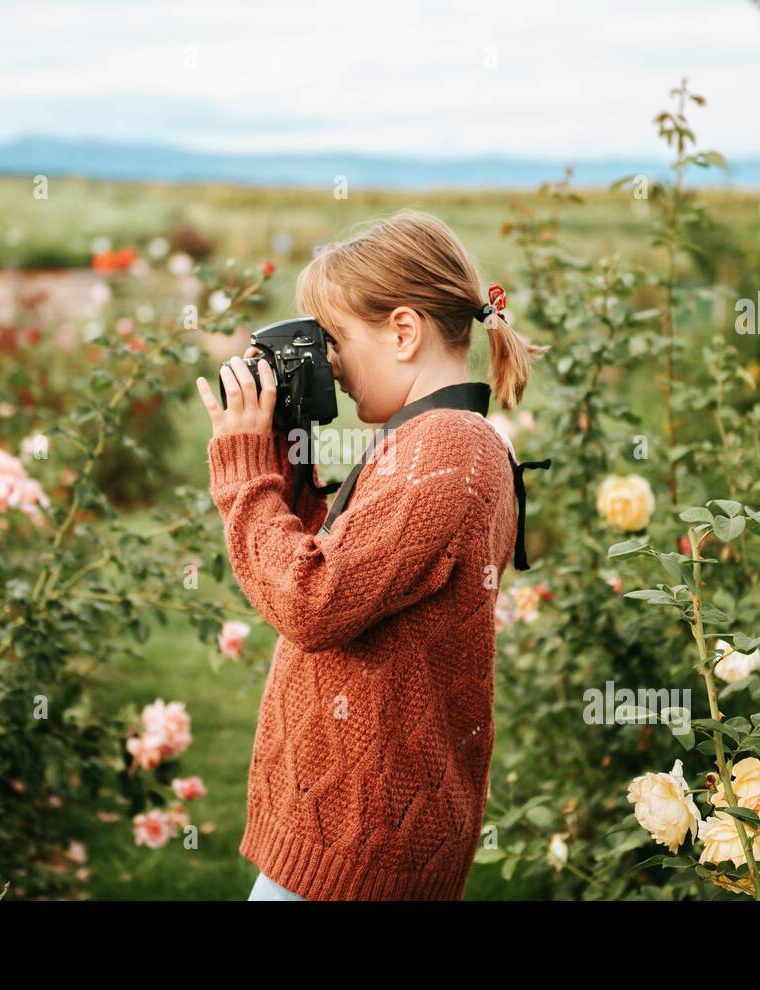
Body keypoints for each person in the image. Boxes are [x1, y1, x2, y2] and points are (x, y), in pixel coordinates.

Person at [195, 209, 550, 900]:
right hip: (348, 836)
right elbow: (345, 579)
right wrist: (283, 460)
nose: (328, 362)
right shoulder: (432, 440)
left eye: (336, 339)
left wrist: (243, 474)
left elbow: (311, 602)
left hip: (362, 851)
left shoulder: (450, 448)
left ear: (404, 331)